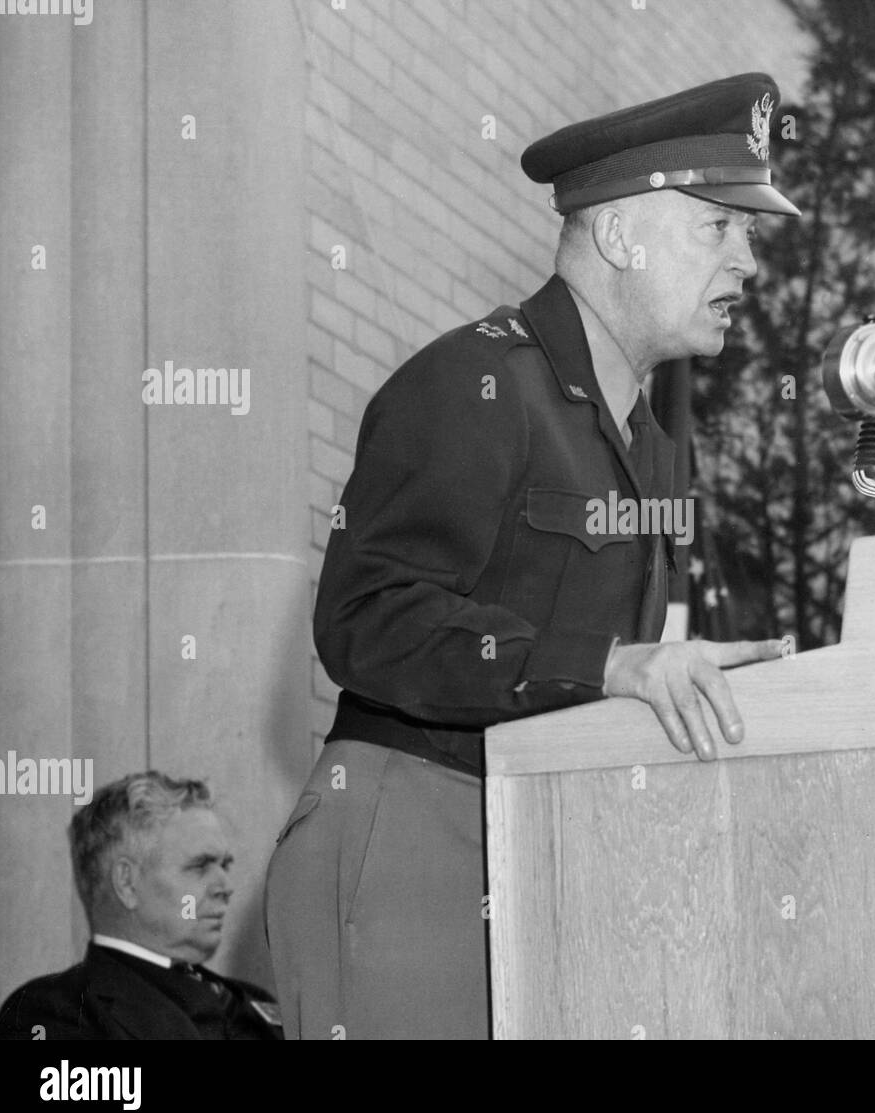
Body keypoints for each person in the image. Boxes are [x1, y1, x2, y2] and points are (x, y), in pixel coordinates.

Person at [264, 72, 801, 1040]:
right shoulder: (472, 381)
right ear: (618, 234)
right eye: (718, 227)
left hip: (550, 850)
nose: (748, 261)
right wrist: (604, 663)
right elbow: (365, 617)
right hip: (416, 839)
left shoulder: (657, 447)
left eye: (748, 233)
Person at [0, 771, 282, 1040]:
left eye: (224, 865)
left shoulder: (257, 1003)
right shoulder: (50, 1012)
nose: (226, 887)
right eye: (200, 865)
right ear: (127, 883)